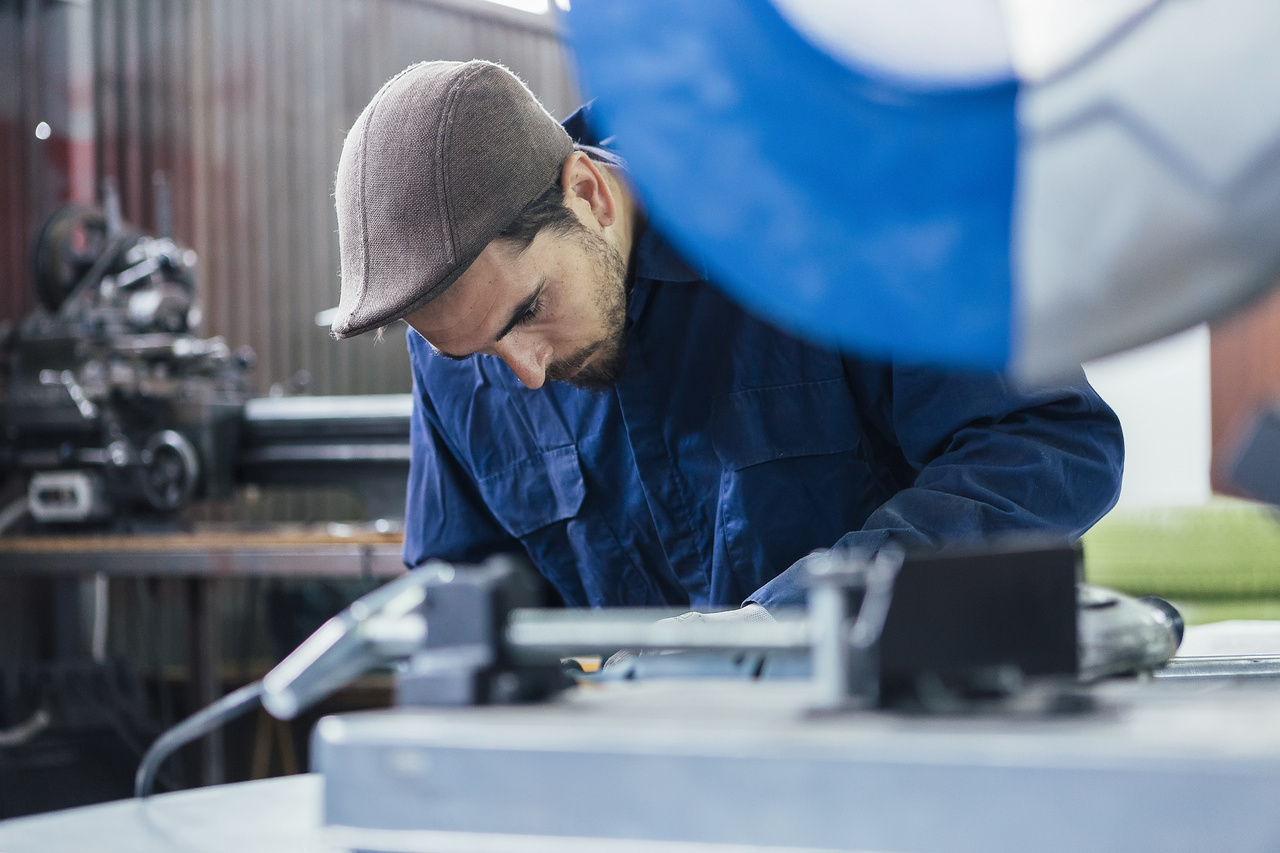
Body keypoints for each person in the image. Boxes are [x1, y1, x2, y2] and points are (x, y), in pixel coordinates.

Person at [330, 60, 1123, 616]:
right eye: (475, 355)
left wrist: (803, 615)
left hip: (894, 758)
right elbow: (470, 600)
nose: (524, 374)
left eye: (528, 312)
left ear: (587, 191)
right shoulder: (459, 355)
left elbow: (1049, 441)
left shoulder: (818, 207)